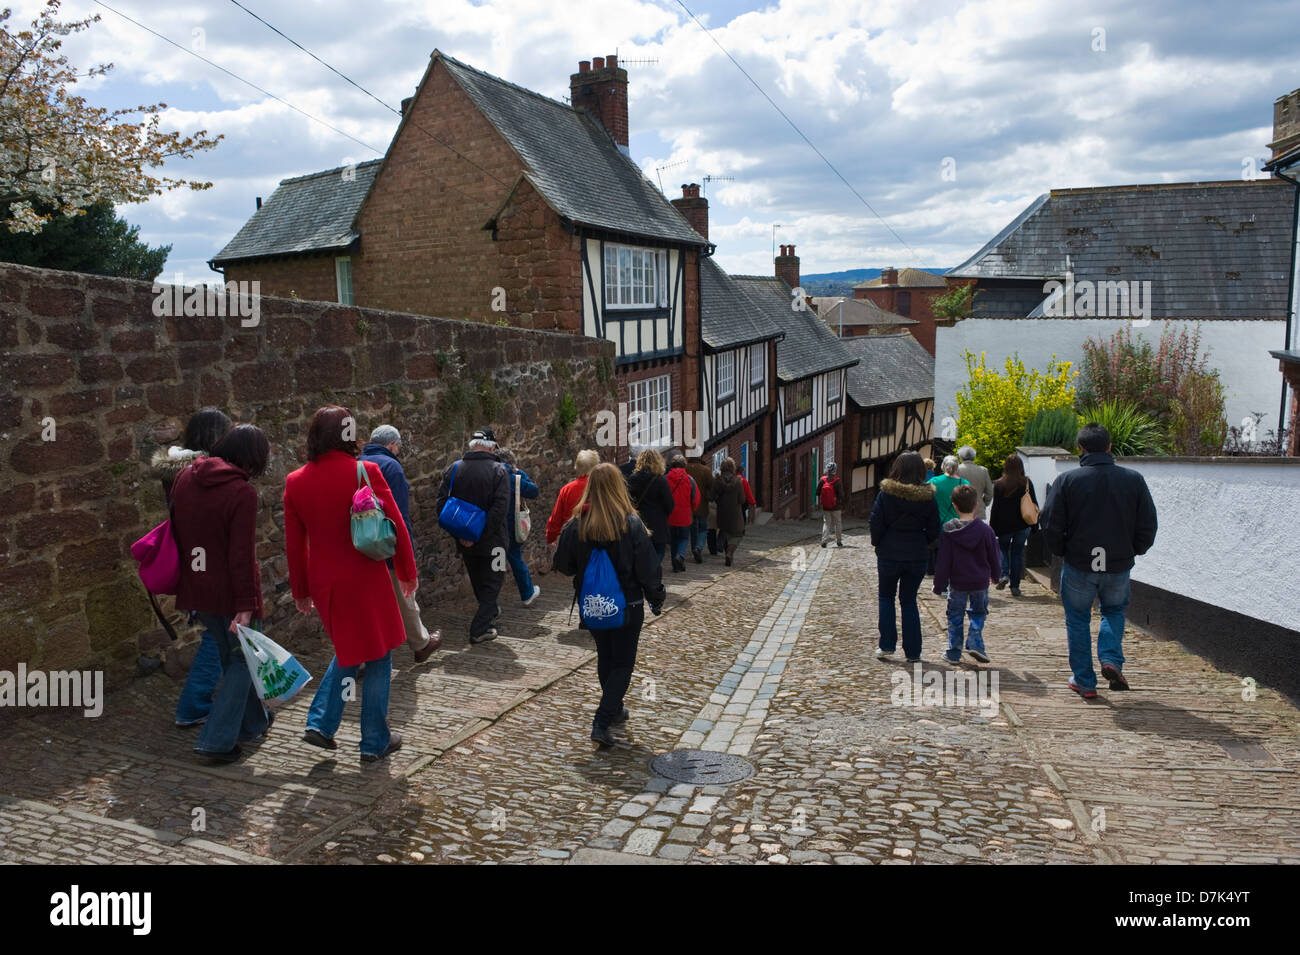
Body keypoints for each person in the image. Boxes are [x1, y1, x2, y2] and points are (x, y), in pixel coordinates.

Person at [287, 407, 417, 761]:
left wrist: (300, 590)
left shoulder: (295, 481)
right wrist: (407, 571)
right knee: (377, 657)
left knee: (350, 648)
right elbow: (397, 524)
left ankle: (321, 723)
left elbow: (294, 544)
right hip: (367, 578)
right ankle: (374, 740)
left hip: (326, 582)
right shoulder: (367, 471)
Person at [170, 424, 271, 763]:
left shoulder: (185, 478)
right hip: (229, 593)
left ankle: (254, 722)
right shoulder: (241, 492)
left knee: (233, 658)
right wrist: (245, 606)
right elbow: (240, 556)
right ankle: (215, 742)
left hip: (196, 587)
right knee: (244, 660)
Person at [1040, 423, 1157, 699]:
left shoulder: (1067, 481)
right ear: (1109, 447)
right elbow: (1148, 523)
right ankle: (1110, 661)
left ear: (1080, 449)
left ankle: (1084, 681)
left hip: (1079, 563)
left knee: (1078, 619)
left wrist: (1061, 551)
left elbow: (1050, 523)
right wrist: (1134, 550)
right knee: (1114, 611)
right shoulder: (1133, 480)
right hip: (1117, 563)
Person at [553, 463, 665, 747]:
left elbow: (563, 565)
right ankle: (601, 721)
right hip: (629, 605)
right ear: (618, 487)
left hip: (593, 604)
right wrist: (657, 596)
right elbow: (648, 569)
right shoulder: (631, 523)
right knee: (623, 663)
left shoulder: (577, 524)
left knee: (606, 656)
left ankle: (614, 710)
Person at [150, 408, 232, 729]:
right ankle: (194, 704)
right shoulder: (202, 473)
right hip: (207, 562)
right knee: (219, 635)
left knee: (223, 634)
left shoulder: (179, 472)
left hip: (194, 561)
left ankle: (233, 699)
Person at [360, 425, 441, 661]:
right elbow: (399, 515)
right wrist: (406, 550)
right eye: (398, 446)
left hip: (361, 543)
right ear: (392, 445)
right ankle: (420, 643)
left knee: (369, 602)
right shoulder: (391, 466)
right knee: (404, 596)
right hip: (386, 542)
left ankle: (364, 654)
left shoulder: (356, 463)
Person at [436, 428, 510, 644]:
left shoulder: (454, 469)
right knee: (494, 582)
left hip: (465, 542)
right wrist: (480, 534)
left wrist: (461, 534)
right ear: (492, 447)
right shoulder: (499, 471)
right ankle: (480, 628)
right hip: (493, 542)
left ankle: (487, 615)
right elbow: (500, 509)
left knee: (478, 581)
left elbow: (441, 505)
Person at [868, 452, 940, 662]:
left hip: (889, 553)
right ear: (921, 470)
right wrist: (923, 541)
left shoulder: (886, 493)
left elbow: (875, 522)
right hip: (917, 555)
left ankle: (887, 645)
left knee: (886, 597)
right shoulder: (928, 497)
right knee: (909, 601)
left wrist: (878, 542)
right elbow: (935, 528)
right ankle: (913, 652)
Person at [933, 484, 1001, 664]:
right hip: (980, 581)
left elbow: (944, 561)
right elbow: (994, 556)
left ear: (954, 505)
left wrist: (939, 584)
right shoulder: (986, 531)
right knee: (978, 613)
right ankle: (975, 643)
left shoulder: (949, 531)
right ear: (976, 505)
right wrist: (996, 575)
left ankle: (954, 652)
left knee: (955, 616)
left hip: (957, 582)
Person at [989, 454, 1039, 597]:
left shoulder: (999, 484)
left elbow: (996, 507)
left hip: (1004, 525)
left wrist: (993, 527)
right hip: (1022, 525)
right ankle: (1015, 586)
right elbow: (1034, 504)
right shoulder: (1027, 483)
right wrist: (1035, 525)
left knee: (1003, 549)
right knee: (1017, 554)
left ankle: (1004, 574)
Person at [497, 447, 542, 605]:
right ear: (512, 463)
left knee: (496, 564)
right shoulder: (514, 478)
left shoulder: (491, 476)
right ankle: (527, 593)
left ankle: (492, 603)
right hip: (512, 526)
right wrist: (520, 473)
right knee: (516, 559)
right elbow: (534, 491)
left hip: (494, 528)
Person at [626, 448, 675, 565]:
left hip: (639, 521)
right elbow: (670, 504)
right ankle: (653, 572)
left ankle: (645, 573)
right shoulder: (661, 481)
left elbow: (627, 500)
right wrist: (664, 514)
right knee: (658, 551)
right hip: (658, 522)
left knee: (640, 551)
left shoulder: (633, 479)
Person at [546, 449, 599, 545]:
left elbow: (556, 518)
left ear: (577, 467)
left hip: (571, 539)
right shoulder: (602, 487)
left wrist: (551, 537)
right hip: (599, 537)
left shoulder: (567, 489)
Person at [664, 453, 699, 572]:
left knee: (673, 540)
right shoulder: (690, 479)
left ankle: (676, 565)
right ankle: (680, 556)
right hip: (685, 515)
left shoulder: (666, 478)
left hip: (670, 515)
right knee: (683, 539)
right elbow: (695, 497)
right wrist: (693, 509)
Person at [710, 457, 747, 566]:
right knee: (737, 535)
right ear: (733, 468)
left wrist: (718, 499)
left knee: (725, 532)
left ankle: (727, 552)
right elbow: (742, 499)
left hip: (722, 512)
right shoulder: (738, 482)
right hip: (735, 513)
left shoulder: (717, 481)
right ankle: (730, 553)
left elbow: (711, 496)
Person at [685, 452, 714, 562]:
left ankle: (694, 549)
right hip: (702, 505)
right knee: (702, 529)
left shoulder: (685, 468)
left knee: (693, 529)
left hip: (689, 505)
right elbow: (712, 486)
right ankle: (699, 548)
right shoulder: (705, 470)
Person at [956, 445, 995, 520]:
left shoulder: (957, 470)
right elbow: (990, 492)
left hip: (960, 510)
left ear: (961, 457)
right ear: (974, 457)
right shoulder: (983, 470)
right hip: (978, 510)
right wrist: (983, 503)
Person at [818, 462, 844, 548]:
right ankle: (839, 541)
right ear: (835, 471)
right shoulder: (838, 481)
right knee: (838, 523)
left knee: (826, 523)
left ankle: (824, 541)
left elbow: (817, 492)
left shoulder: (822, 480)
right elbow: (841, 495)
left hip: (826, 507)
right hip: (836, 507)